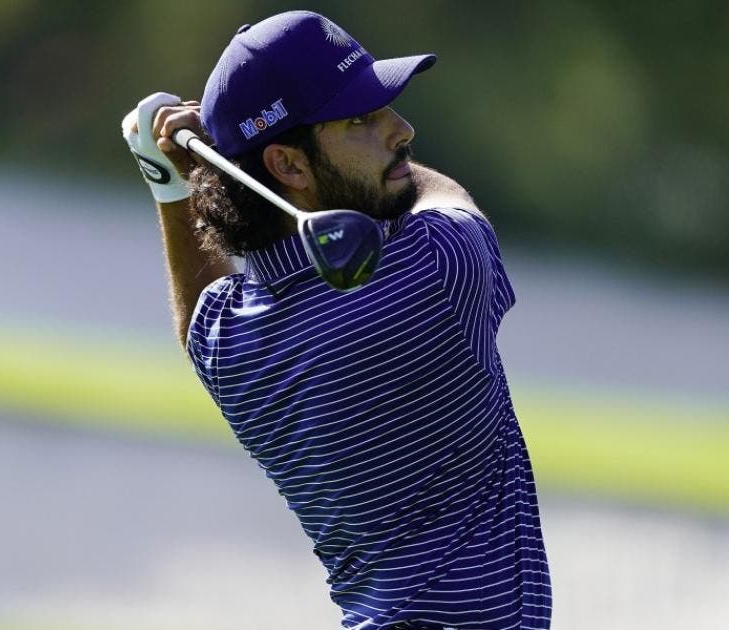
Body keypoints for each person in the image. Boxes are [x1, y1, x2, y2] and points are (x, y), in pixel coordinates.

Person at [121, 10, 551, 629]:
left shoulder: (229, 339)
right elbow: (445, 197)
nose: (402, 130)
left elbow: (196, 312)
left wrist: (178, 182)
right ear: (288, 167)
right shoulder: (438, 270)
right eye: (360, 119)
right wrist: (209, 166)